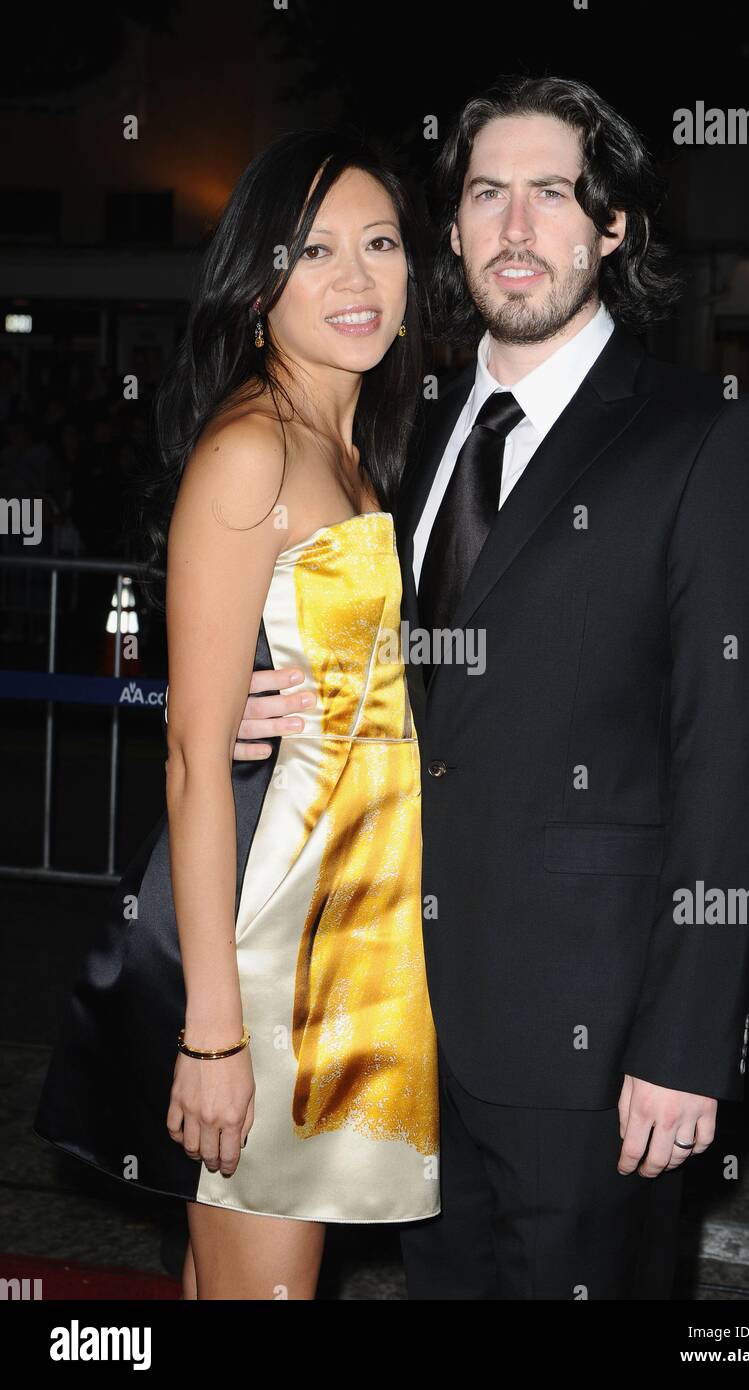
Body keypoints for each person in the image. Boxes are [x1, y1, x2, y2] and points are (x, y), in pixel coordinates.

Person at [242, 75, 749, 1299]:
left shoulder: (709, 432)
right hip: (400, 1005)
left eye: (554, 193)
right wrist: (258, 694)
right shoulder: (406, 417)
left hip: (596, 1039)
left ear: (612, 229)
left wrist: (687, 1042)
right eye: (487, 192)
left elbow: (737, 754)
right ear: (449, 229)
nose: (513, 227)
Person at [33, 130, 440, 1300]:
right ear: (258, 282)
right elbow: (191, 760)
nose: (358, 279)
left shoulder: (353, 447)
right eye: (315, 251)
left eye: (380, 245)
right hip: (276, 942)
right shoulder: (252, 449)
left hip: (353, 922)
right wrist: (215, 1031)